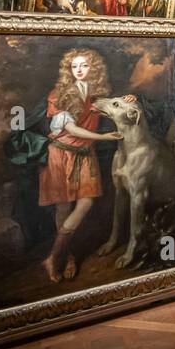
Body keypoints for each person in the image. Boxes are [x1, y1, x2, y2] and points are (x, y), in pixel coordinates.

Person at [39, 49, 124, 283]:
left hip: (85, 154)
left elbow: (110, 105)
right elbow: (71, 129)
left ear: (93, 69)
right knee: (63, 208)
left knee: (85, 203)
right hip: (62, 154)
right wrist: (104, 138)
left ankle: (54, 255)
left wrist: (127, 100)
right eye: (74, 65)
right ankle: (66, 258)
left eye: (84, 65)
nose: (78, 69)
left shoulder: (96, 94)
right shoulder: (59, 94)